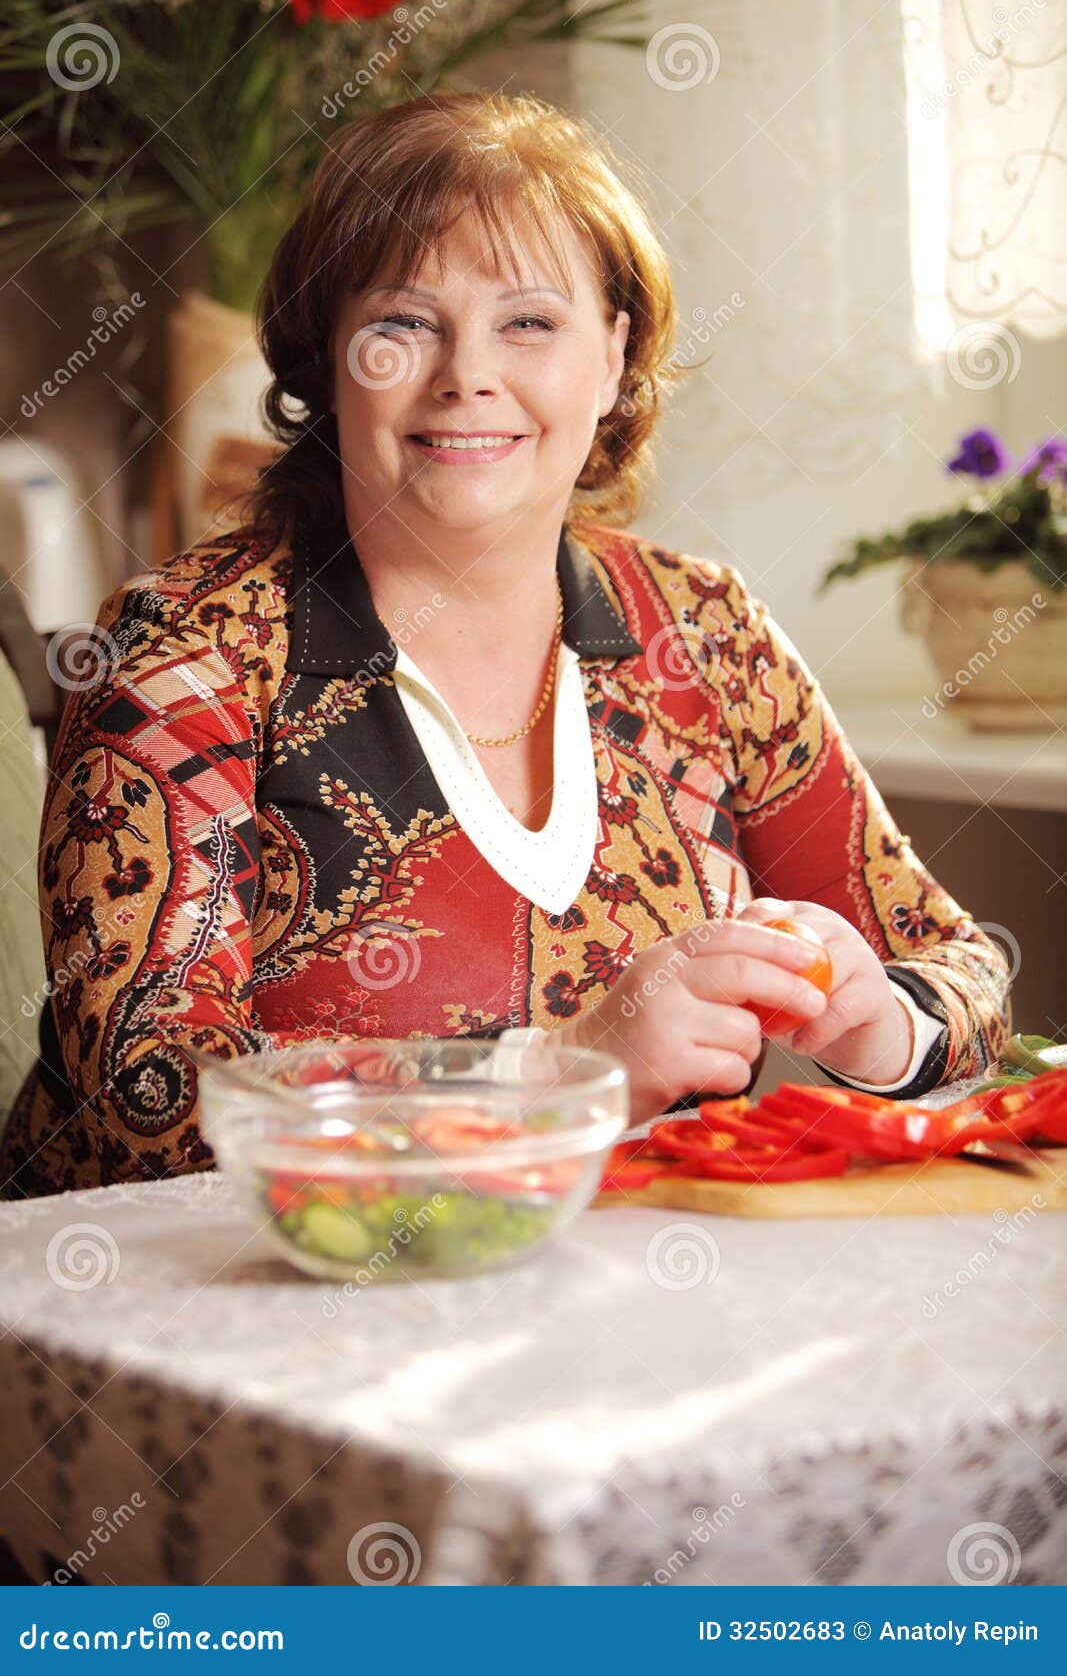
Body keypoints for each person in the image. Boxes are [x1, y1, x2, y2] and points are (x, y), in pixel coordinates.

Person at [0, 91, 1010, 1199]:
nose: (465, 375)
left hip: (607, 1320)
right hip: (223, 1326)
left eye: (527, 321)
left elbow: (958, 964)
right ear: (323, 359)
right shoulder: (186, 653)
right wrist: (565, 1070)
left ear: (615, 351)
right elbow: (143, 1100)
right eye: (402, 324)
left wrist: (882, 1030)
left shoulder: (709, 635)